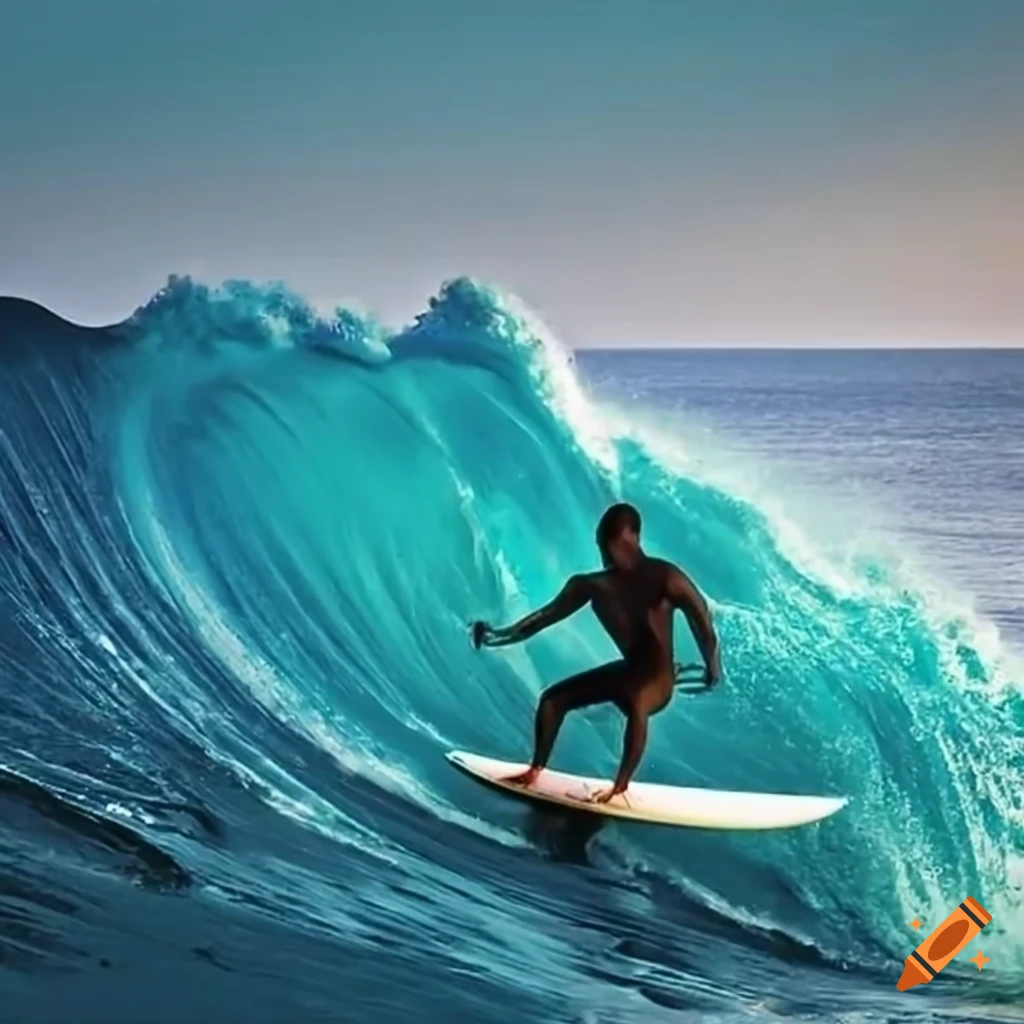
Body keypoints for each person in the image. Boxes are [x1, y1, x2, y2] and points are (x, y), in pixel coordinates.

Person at [472, 502, 721, 804]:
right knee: (552, 701)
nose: (603, 552)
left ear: (625, 538)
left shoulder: (666, 577)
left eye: (604, 543)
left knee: (637, 700)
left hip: (658, 680)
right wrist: (497, 636)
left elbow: (702, 622)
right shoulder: (592, 585)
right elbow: (544, 617)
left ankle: (620, 787)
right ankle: (534, 770)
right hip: (628, 672)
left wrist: (712, 669)